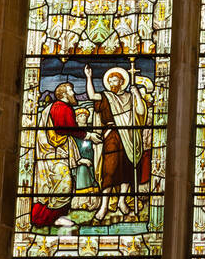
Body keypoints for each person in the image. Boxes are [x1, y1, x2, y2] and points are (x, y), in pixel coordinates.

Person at [83, 64, 148, 223]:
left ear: (122, 82)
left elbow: (140, 112)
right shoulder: (106, 96)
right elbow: (92, 95)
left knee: (127, 168)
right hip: (111, 136)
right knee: (109, 170)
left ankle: (121, 201)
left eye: (115, 80)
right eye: (110, 81)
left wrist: (137, 95)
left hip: (129, 137)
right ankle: (104, 205)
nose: (112, 83)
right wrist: (89, 77)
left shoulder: (130, 97)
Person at [30, 81, 87, 228]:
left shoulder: (54, 107)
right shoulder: (61, 108)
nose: (74, 94)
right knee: (63, 185)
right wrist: (88, 136)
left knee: (50, 187)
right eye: (71, 91)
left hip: (50, 153)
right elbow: (65, 129)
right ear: (64, 95)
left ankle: (55, 218)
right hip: (54, 154)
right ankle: (45, 219)